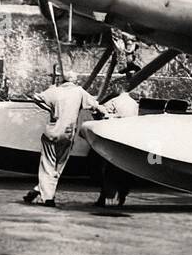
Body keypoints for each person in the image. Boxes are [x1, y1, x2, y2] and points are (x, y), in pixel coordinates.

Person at [24, 75, 107, 207]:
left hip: (52, 131)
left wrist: (48, 108)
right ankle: (39, 190)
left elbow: (36, 97)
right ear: (74, 81)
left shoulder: (54, 90)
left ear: (62, 80)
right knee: (59, 165)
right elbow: (95, 105)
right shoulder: (79, 92)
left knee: (48, 165)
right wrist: (107, 114)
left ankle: (47, 197)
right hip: (68, 133)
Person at [95, 84, 139, 207]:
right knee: (125, 170)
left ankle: (104, 197)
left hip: (114, 138)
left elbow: (100, 112)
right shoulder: (134, 103)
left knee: (109, 170)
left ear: (119, 89)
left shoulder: (113, 101)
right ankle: (122, 197)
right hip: (128, 139)